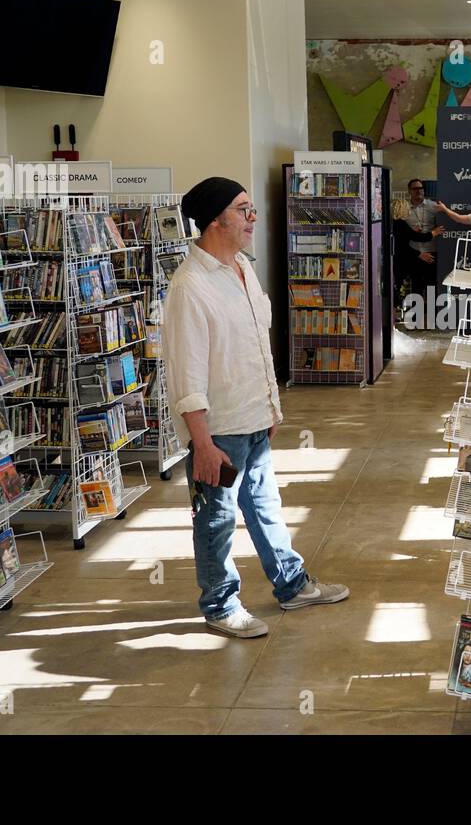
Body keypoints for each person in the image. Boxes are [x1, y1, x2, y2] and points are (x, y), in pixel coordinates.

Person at [163, 177, 349, 638]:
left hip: (254, 419)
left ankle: (291, 585)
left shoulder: (245, 269)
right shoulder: (190, 288)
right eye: (243, 209)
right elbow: (186, 373)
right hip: (220, 431)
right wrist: (202, 443)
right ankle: (220, 604)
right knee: (216, 519)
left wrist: (271, 409)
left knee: (266, 507)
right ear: (213, 220)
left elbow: (254, 347)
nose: (253, 218)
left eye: (251, 209)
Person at [391, 198, 443, 314]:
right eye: (407, 209)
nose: (409, 211)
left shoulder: (395, 224)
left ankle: (396, 314)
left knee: (398, 287)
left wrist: (412, 232)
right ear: (402, 210)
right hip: (400, 263)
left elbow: (406, 237)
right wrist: (434, 233)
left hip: (397, 262)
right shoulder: (401, 224)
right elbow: (414, 240)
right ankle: (394, 315)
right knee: (397, 288)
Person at [404, 178, 440, 298]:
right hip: (414, 253)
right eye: (415, 188)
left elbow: (439, 227)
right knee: (416, 287)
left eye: (421, 188)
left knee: (432, 287)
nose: (418, 191)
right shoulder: (405, 208)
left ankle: (433, 315)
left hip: (431, 252)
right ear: (410, 191)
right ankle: (416, 316)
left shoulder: (433, 206)